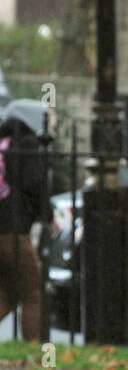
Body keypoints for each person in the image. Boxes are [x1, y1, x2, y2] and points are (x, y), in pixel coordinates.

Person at [0, 108, 50, 341]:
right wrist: (46, 216)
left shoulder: (3, 144)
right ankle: (35, 349)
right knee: (32, 293)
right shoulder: (27, 145)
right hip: (13, 231)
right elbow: (34, 185)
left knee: (7, 294)